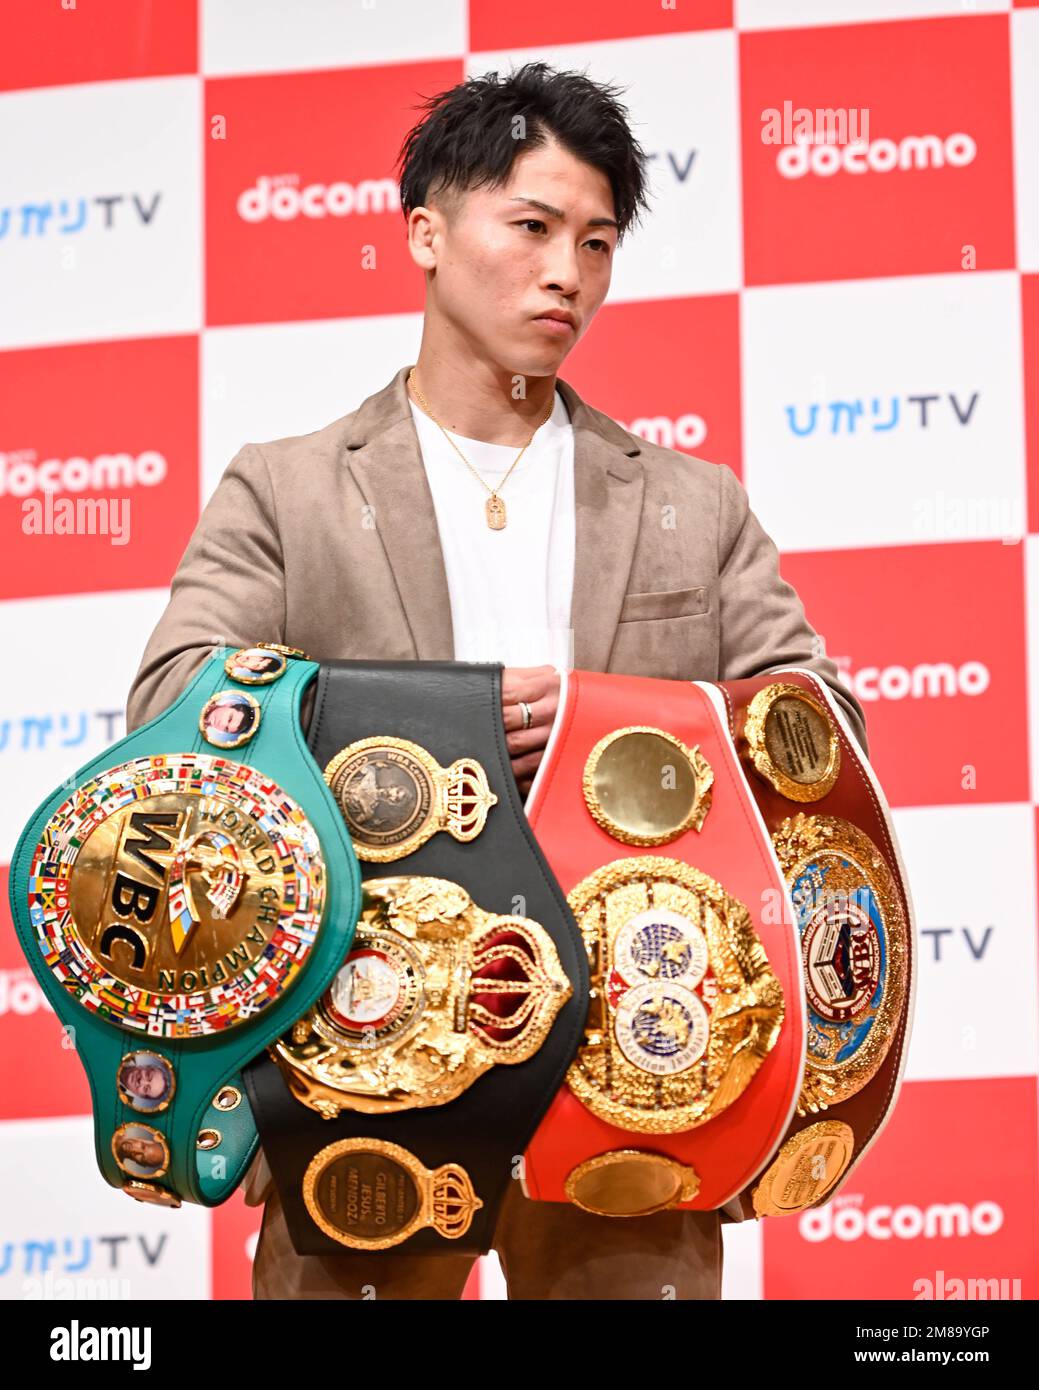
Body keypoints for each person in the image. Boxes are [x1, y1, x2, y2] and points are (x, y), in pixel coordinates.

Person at [125, 61, 869, 1300]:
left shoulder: (693, 503)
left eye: (595, 239)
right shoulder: (289, 485)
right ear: (424, 231)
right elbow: (171, 697)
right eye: (529, 227)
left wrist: (604, 726)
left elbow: (821, 721)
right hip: (355, 1046)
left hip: (645, 1056)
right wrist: (441, 728)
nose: (565, 270)